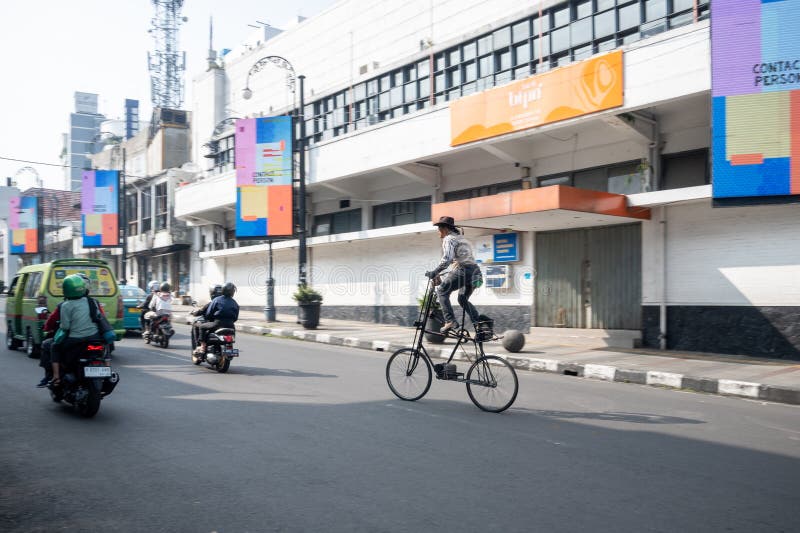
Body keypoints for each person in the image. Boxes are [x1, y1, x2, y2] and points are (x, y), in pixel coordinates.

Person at [50, 275, 115, 386]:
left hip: (75, 340)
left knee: (54, 347)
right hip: (94, 337)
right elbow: (99, 317)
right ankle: (108, 370)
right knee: (105, 345)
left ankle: (56, 377)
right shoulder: (92, 302)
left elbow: (65, 327)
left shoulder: (65, 305)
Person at [425, 216, 483, 334]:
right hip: (476, 273)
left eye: (439, 229)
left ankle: (450, 320)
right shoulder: (461, 238)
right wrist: (441, 274)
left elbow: (447, 259)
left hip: (464, 271)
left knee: (441, 291)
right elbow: (457, 261)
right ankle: (478, 325)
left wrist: (434, 272)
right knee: (462, 299)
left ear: (445, 229)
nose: (438, 232)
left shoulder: (449, 239)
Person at [193, 282, 239, 356]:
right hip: (231, 325)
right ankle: (229, 349)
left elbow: (208, 313)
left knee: (201, 326)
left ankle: (202, 347)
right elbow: (236, 317)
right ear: (232, 292)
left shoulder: (217, 300)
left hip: (217, 324)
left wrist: (211, 318)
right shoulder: (235, 303)